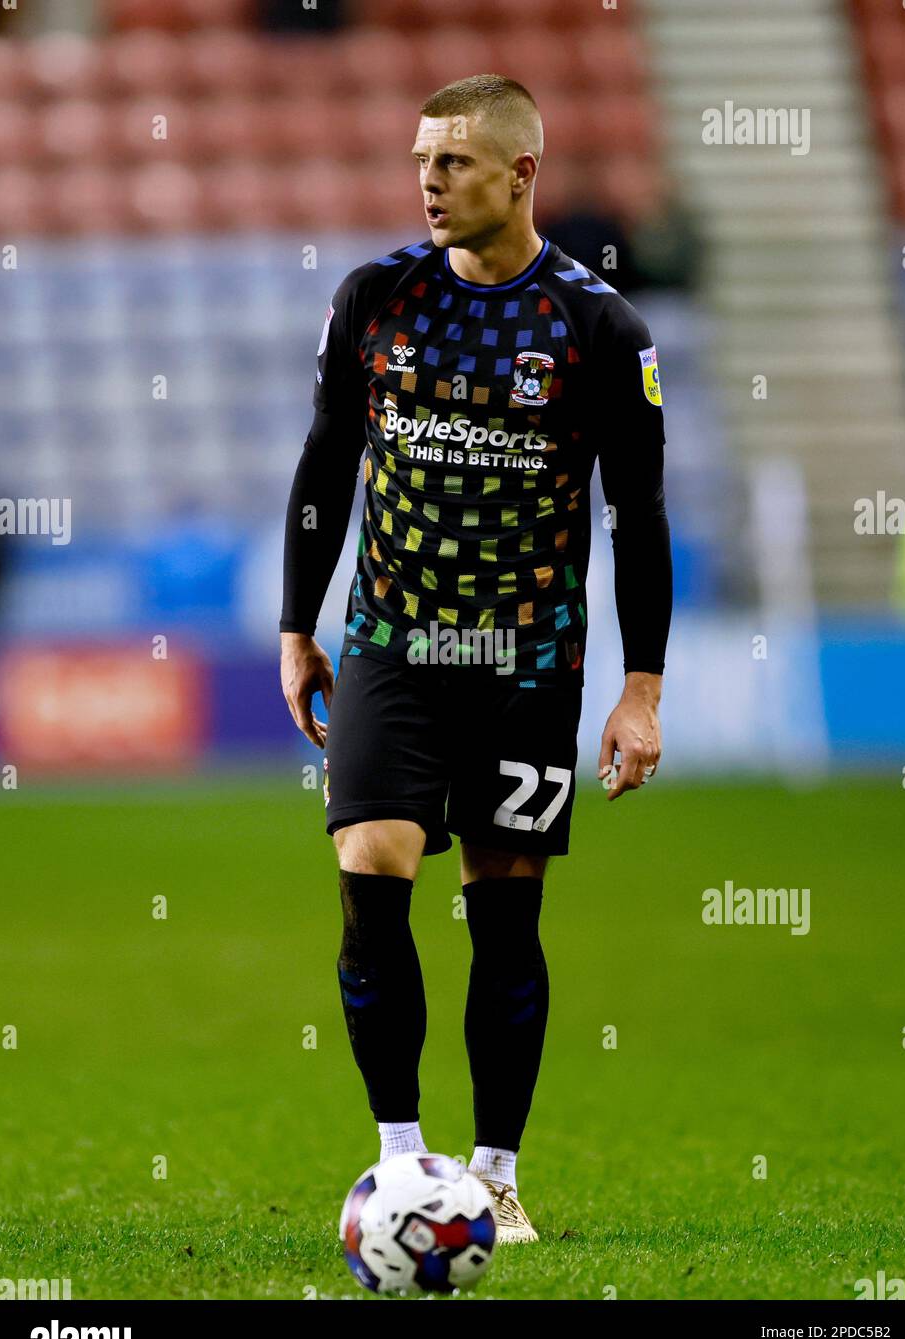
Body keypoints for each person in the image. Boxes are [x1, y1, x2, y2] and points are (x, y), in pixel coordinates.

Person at [280, 74, 672, 1243]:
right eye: (419, 161)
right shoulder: (374, 298)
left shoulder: (599, 329)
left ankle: (494, 1171)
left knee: (503, 917)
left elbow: (636, 515)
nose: (428, 183)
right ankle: (401, 1162)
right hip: (393, 642)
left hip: (525, 659)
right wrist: (301, 625)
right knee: (371, 870)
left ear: (520, 174)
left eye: (451, 163)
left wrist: (640, 689)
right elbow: (323, 466)